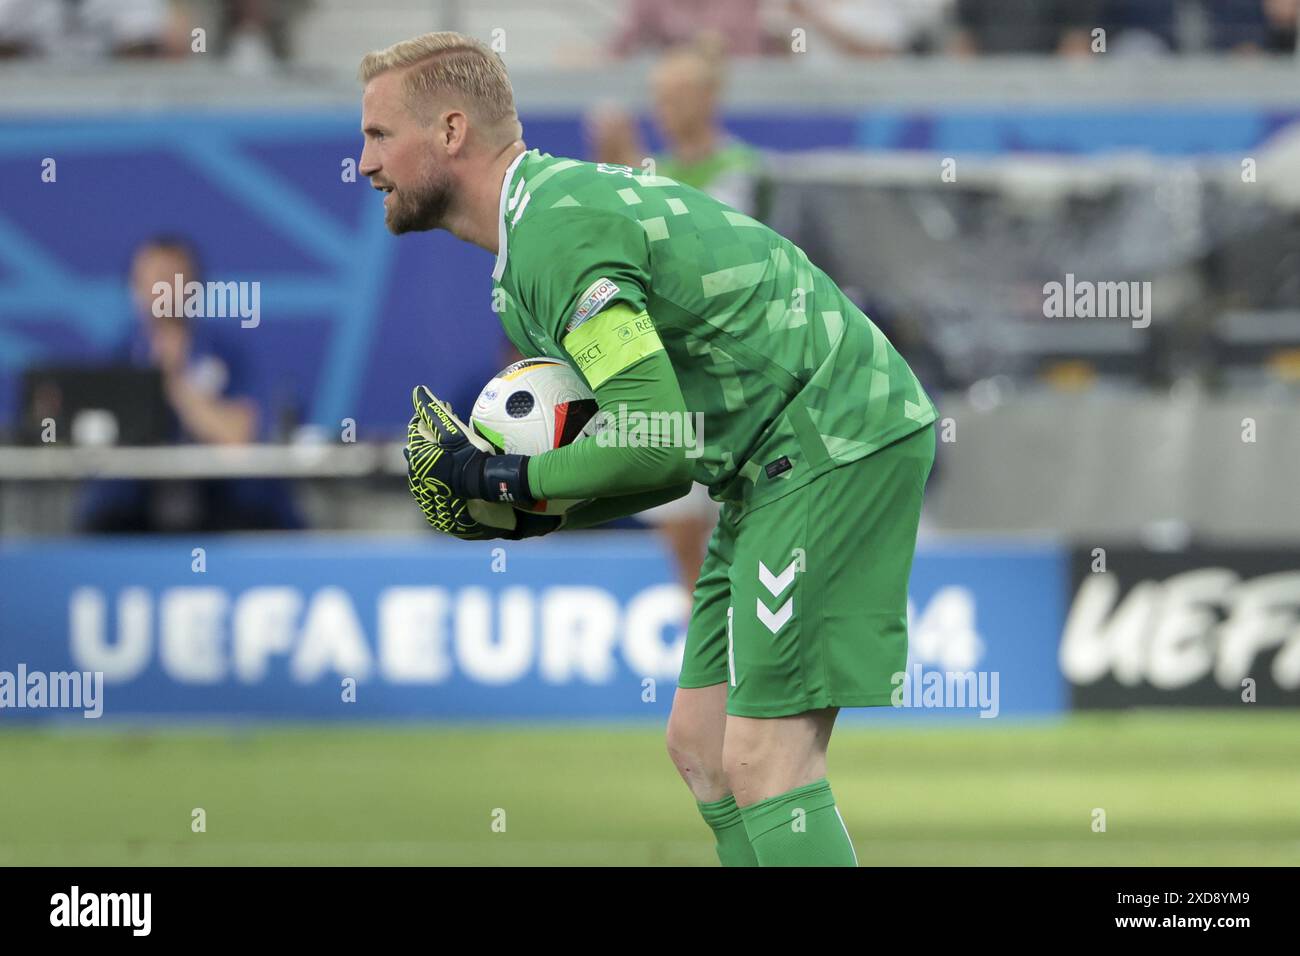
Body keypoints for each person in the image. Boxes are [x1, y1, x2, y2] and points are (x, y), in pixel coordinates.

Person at [359, 32, 936, 866]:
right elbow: (659, 453)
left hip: (832, 433)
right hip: (758, 463)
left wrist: (505, 475)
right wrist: (541, 503)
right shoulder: (531, 247)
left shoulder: (555, 237)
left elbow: (655, 441)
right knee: (702, 751)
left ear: (451, 132)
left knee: (766, 762)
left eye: (379, 136)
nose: (366, 161)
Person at [587, 39, 761, 594]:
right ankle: (703, 663)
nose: (667, 107)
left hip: (729, 381)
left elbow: (701, 254)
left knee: (741, 537)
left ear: (711, 97)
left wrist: (627, 167)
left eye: (679, 94)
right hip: (667, 376)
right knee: (685, 549)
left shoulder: (740, 169)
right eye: (659, 96)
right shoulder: (649, 171)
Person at [77, 236, 301, 533]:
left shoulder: (227, 352)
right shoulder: (118, 357)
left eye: (172, 278)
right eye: (153, 279)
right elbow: (94, 446)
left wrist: (173, 382)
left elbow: (238, 438)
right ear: (134, 288)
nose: (162, 290)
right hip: (133, 516)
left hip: (224, 509)